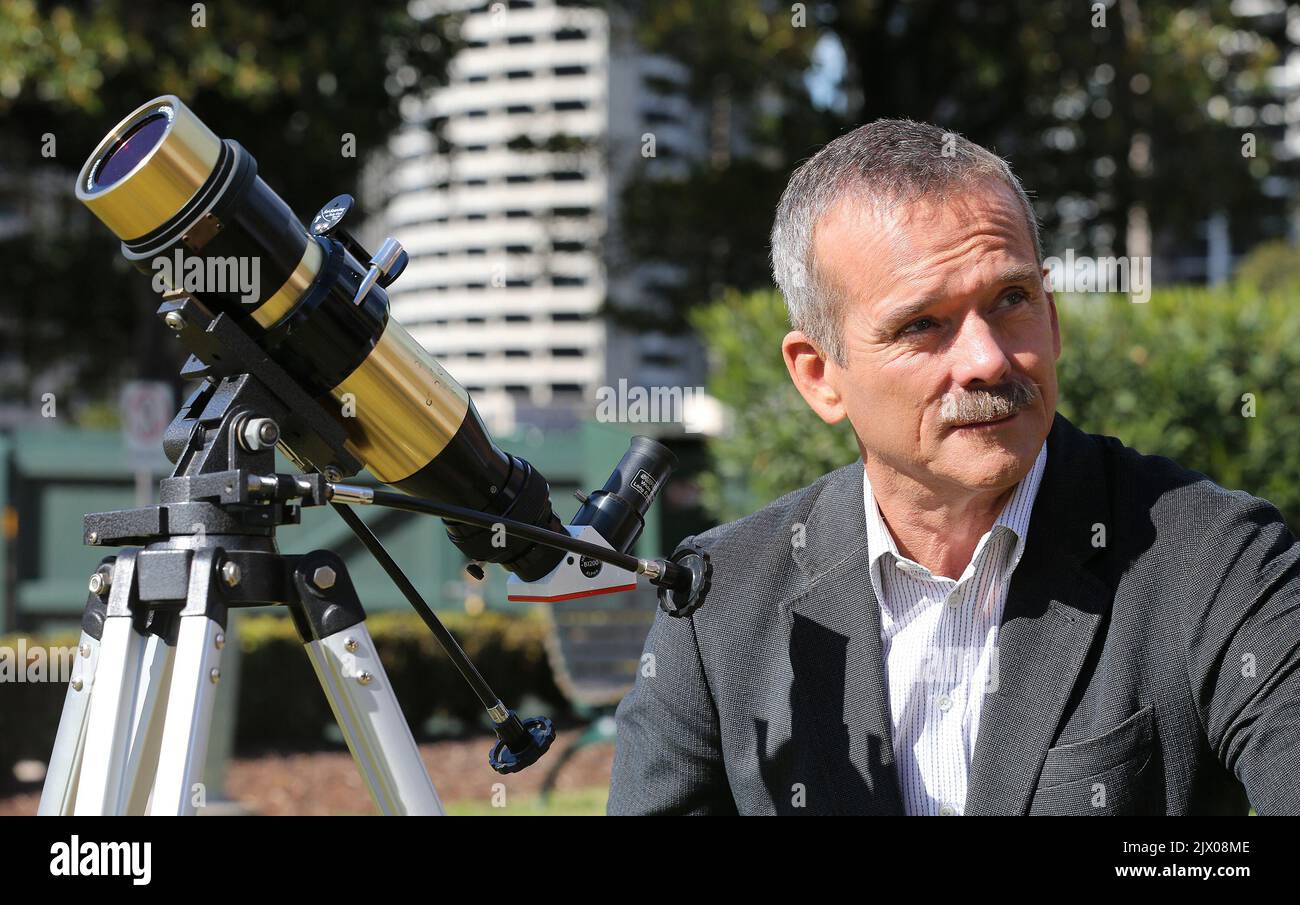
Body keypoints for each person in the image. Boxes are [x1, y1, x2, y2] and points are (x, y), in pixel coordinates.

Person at [607, 119, 1300, 816]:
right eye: (922, 325)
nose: (988, 360)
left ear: (1052, 317)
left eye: (1011, 300)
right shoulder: (719, 604)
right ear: (819, 376)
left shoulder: (1214, 558)